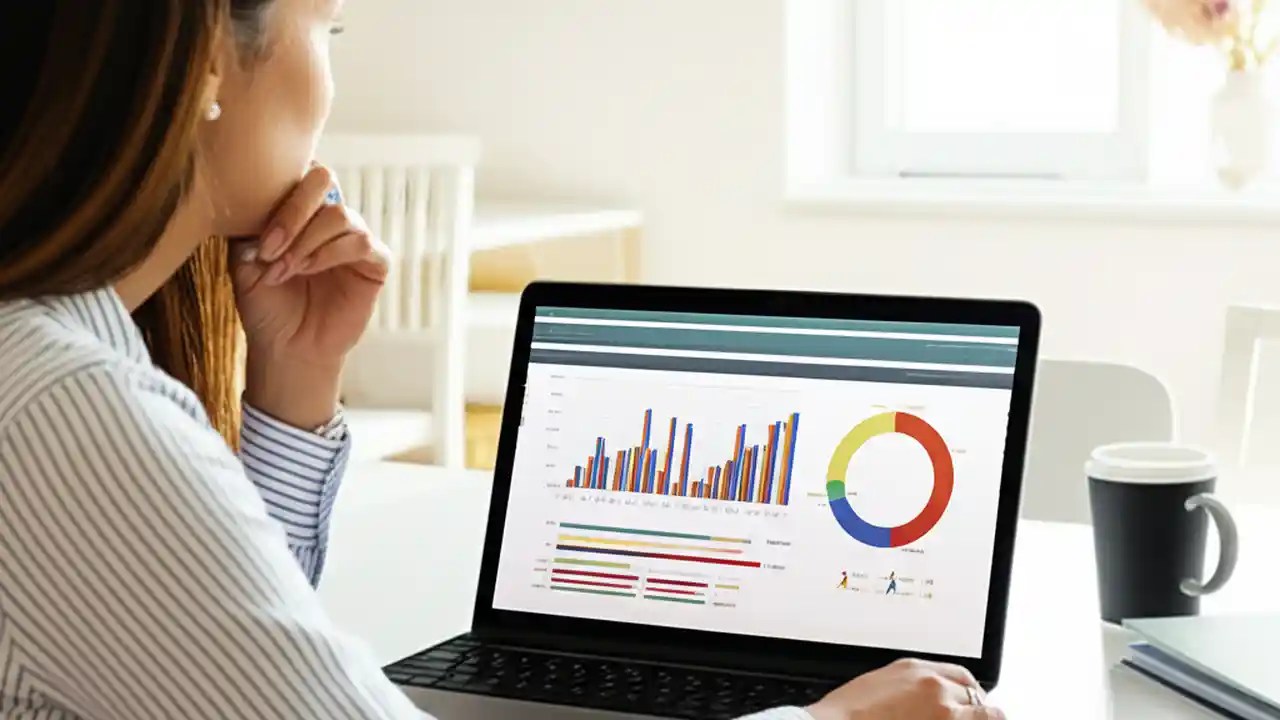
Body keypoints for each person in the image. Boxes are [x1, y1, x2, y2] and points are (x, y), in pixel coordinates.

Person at [0, 2, 1005, 719]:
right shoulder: (68, 408)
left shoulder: (57, 354)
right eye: (328, 29)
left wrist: (295, 382)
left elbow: (217, 653)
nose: (332, 81)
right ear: (207, 61)